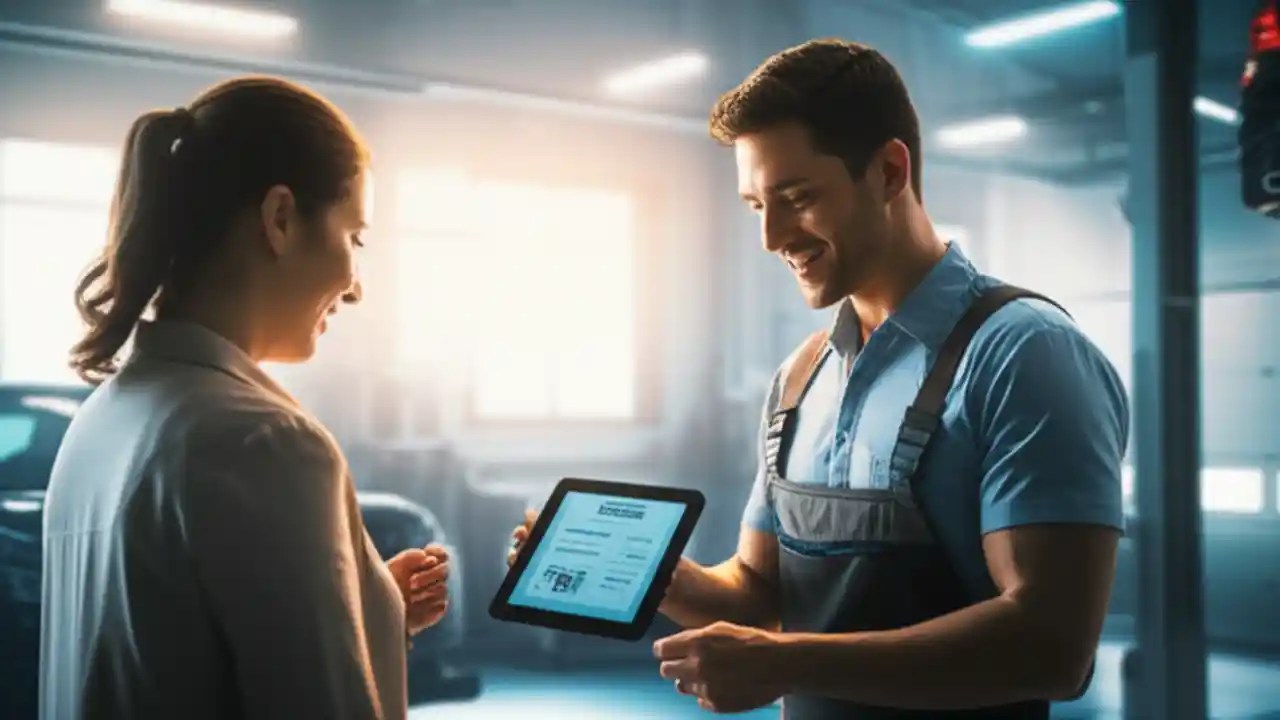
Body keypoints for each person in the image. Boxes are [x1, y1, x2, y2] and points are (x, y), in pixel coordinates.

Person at [511, 39, 1127, 719]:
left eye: (798, 197)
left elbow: (1050, 647)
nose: (773, 236)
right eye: (755, 205)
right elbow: (758, 590)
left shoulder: (1024, 354)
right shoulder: (800, 379)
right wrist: (652, 575)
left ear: (890, 171)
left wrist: (789, 661)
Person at [41, 77, 450, 720]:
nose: (356, 288)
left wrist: (365, 608)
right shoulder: (265, 443)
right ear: (280, 218)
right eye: (354, 238)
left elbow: (164, 655)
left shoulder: (106, 419)